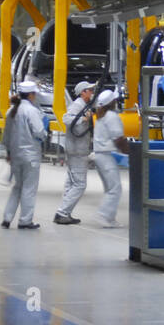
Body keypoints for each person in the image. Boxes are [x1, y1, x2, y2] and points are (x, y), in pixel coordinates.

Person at [2, 80, 46, 230]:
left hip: (15, 155)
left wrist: (8, 152)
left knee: (17, 187)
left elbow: (6, 135)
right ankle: (25, 220)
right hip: (30, 156)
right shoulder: (31, 111)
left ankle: (7, 218)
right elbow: (39, 132)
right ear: (31, 95)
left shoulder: (11, 111)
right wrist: (45, 132)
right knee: (29, 188)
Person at [54, 81, 98, 224]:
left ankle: (65, 211)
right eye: (90, 90)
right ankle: (62, 213)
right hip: (76, 150)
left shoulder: (84, 106)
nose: (92, 93)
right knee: (79, 184)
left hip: (78, 149)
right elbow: (66, 118)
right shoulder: (77, 105)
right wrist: (83, 119)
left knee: (71, 183)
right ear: (82, 92)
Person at [90, 89, 128, 227]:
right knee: (115, 188)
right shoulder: (111, 116)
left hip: (99, 155)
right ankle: (103, 216)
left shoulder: (101, 116)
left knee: (109, 188)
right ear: (112, 102)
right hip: (106, 156)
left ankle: (110, 218)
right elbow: (118, 139)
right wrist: (131, 152)